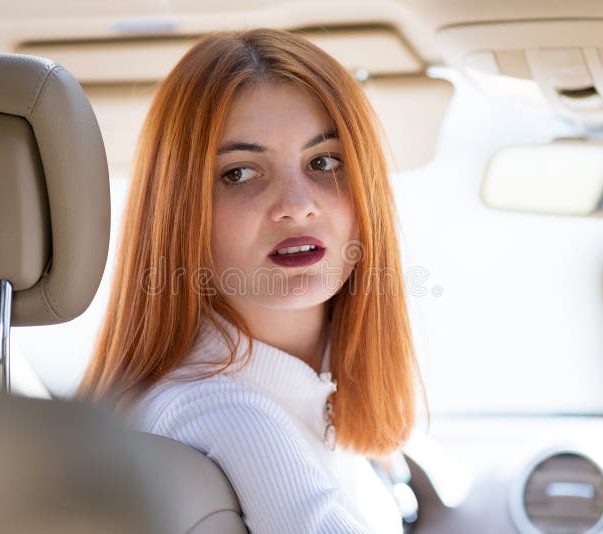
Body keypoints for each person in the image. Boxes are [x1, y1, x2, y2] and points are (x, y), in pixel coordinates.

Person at [77, 27, 426, 533]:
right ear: (179, 212)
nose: (296, 204)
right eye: (239, 173)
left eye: (324, 162)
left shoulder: (302, 397)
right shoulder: (223, 412)